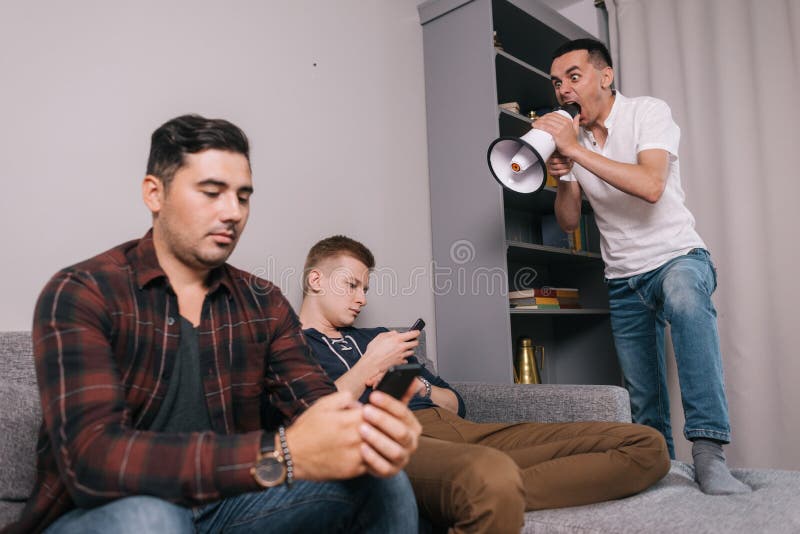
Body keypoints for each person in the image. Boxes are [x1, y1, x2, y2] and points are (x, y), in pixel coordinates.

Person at [6, 115, 422, 534]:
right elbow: (93, 460)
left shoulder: (263, 302)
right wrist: (279, 451)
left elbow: (315, 407)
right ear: (155, 193)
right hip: (113, 512)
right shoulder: (84, 292)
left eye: (243, 197)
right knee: (152, 518)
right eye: (211, 193)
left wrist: (367, 430)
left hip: (231, 506)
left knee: (383, 481)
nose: (233, 212)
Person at [298, 235, 671, 533]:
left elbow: (458, 404)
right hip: (399, 442)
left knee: (645, 444)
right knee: (489, 477)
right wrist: (368, 365)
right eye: (351, 285)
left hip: (467, 434)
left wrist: (421, 390)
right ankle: (486, 487)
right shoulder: (291, 349)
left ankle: (483, 491)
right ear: (316, 279)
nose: (362, 298)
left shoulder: (381, 336)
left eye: (365, 288)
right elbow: (310, 418)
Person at [532, 38, 750, 495]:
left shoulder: (648, 112)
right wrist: (564, 175)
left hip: (678, 258)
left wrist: (576, 151)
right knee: (643, 395)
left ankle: (709, 455)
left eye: (574, 76)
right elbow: (569, 222)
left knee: (687, 301)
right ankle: (659, 468)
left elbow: (651, 185)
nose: (564, 90)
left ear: (605, 76)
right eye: (557, 83)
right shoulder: (576, 143)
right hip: (622, 278)